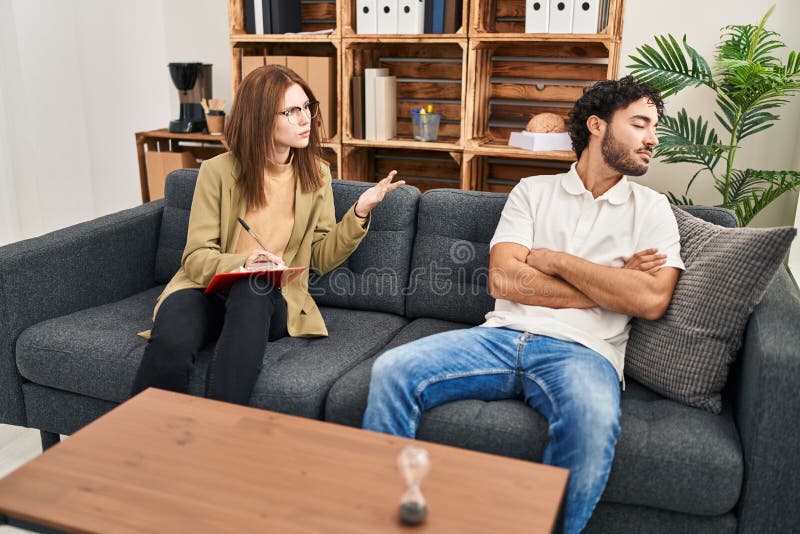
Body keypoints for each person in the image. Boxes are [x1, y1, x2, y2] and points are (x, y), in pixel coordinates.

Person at [362, 75, 684, 533]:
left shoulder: (652, 209)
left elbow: (650, 299)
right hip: (499, 336)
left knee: (591, 421)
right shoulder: (533, 192)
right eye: (639, 124)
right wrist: (612, 285)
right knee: (393, 370)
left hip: (583, 352)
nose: (652, 139)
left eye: (654, 127)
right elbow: (504, 279)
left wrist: (557, 261)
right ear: (597, 126)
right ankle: (382, 519)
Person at [131, 65, 404, 405]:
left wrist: (359, 212)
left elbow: (319, 258)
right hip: (205, 290)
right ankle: (143, 433)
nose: (305, 119)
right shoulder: (217, 172)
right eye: (291, 111)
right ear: (260, 118)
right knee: (173, 337)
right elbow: (196, 258)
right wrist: (245, 261)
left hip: (266, 300)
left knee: (253, 287)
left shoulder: (317, 174)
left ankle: (221, 424)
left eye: (307, 107)